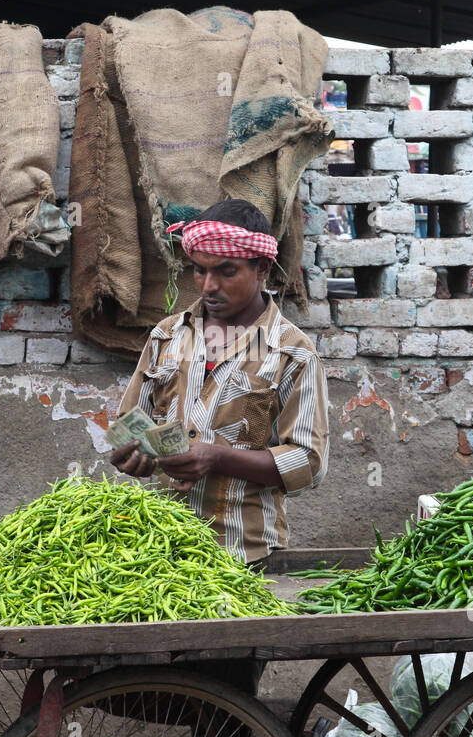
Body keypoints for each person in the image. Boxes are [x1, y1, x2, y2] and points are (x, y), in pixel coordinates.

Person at [110, 198, 330, 565]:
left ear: (261, 267)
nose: (208, 286)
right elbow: (130, 423)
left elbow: (309, 463)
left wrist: (216, 458)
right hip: (160, 553)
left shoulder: (292, 353)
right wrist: (134, 454)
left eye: (226, 272)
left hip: (245, 556)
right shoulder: (167, 336)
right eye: (198, 270)